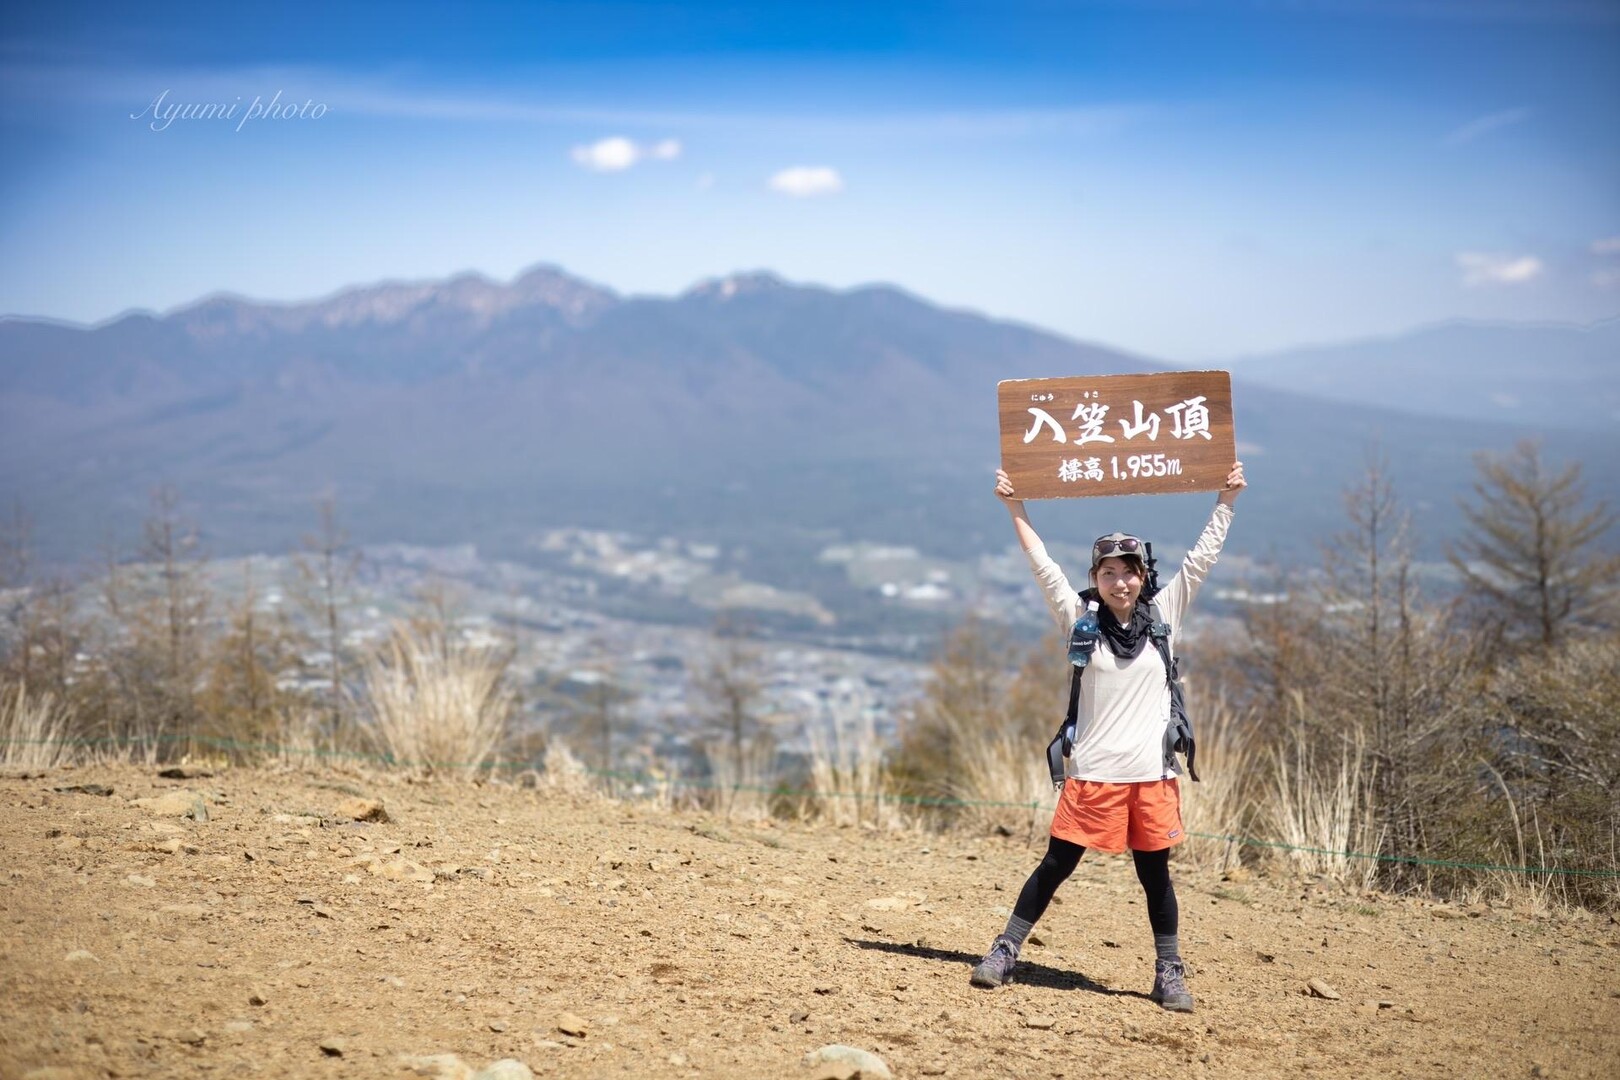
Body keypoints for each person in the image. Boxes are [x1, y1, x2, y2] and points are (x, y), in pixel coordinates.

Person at [969, 460, 1247, 1013]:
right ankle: (1006, 949)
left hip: (1151, 774)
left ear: (1143, 575)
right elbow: (1042, 565)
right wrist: (1013, 505)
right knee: (1056, 864)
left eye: (1129, 572)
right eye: (1109, 573)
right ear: (1095, 577)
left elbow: (1202, 559)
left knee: (1156, 876)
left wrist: (1227, 499)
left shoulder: (1165, 615)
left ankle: (1169, 971)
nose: (1121, 582)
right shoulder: (1079, 618)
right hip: (1093, 771)